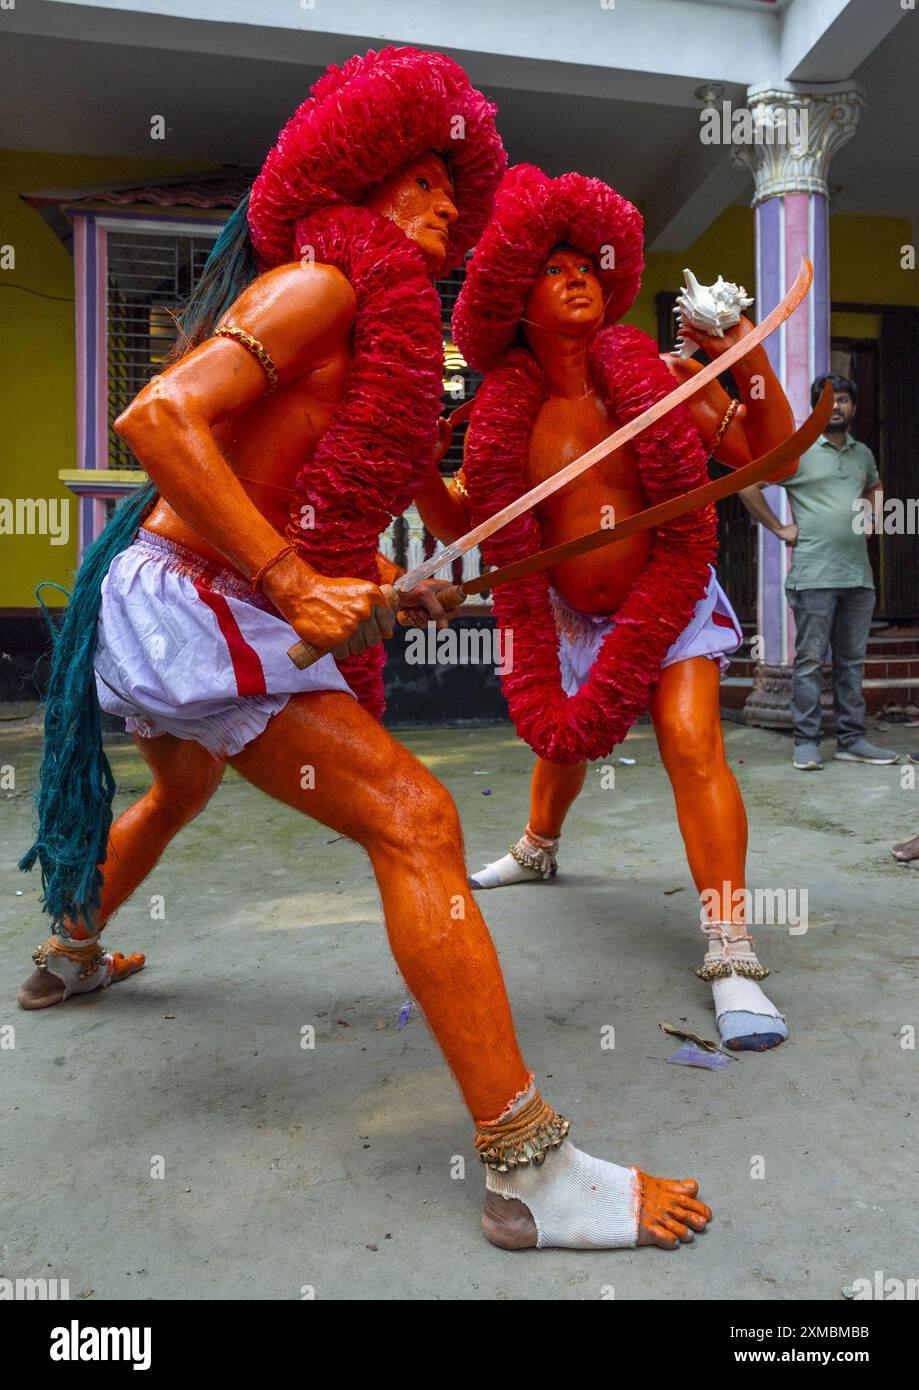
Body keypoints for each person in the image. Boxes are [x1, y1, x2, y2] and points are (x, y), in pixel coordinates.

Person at [17, 50, 711, 1252]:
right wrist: (293, 581)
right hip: (199, 601)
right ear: (361, 183)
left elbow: (360, 507)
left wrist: (395, 585)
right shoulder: (322, 281)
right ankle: (527, 1169)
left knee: (178, 791)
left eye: (459, 188)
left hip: (210, 602)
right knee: (419, 818)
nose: (451, 205)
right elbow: (158, 418)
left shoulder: (384, 323)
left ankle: (67, 956)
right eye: (426, 181)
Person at [416, 164, 799, 1052]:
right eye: (551, 269)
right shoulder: (501, 412)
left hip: (671, 598)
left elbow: (767, 459)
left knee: (693, 741)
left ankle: (731, 950)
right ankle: (536, 846)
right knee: (563, 744)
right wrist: (414, 467)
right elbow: (470, 525)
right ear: (516, 298)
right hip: (562, 614)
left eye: (583, 262)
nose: (576, 273)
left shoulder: (662, 377)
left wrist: (743, 352)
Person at [739, 373, 899, 770]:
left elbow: (874, 485)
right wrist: (779, 528)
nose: (838, 407)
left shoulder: (862, 453)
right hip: (813, 576)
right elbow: (747, 486)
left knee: (851, 662)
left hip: (859, 578)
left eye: (844, 400)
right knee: (810, 662)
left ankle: (852, 740)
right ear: (817, 409)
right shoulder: (798, 451)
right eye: (830, 401)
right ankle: (806, 741)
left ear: (853, 407)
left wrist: (874, 516)